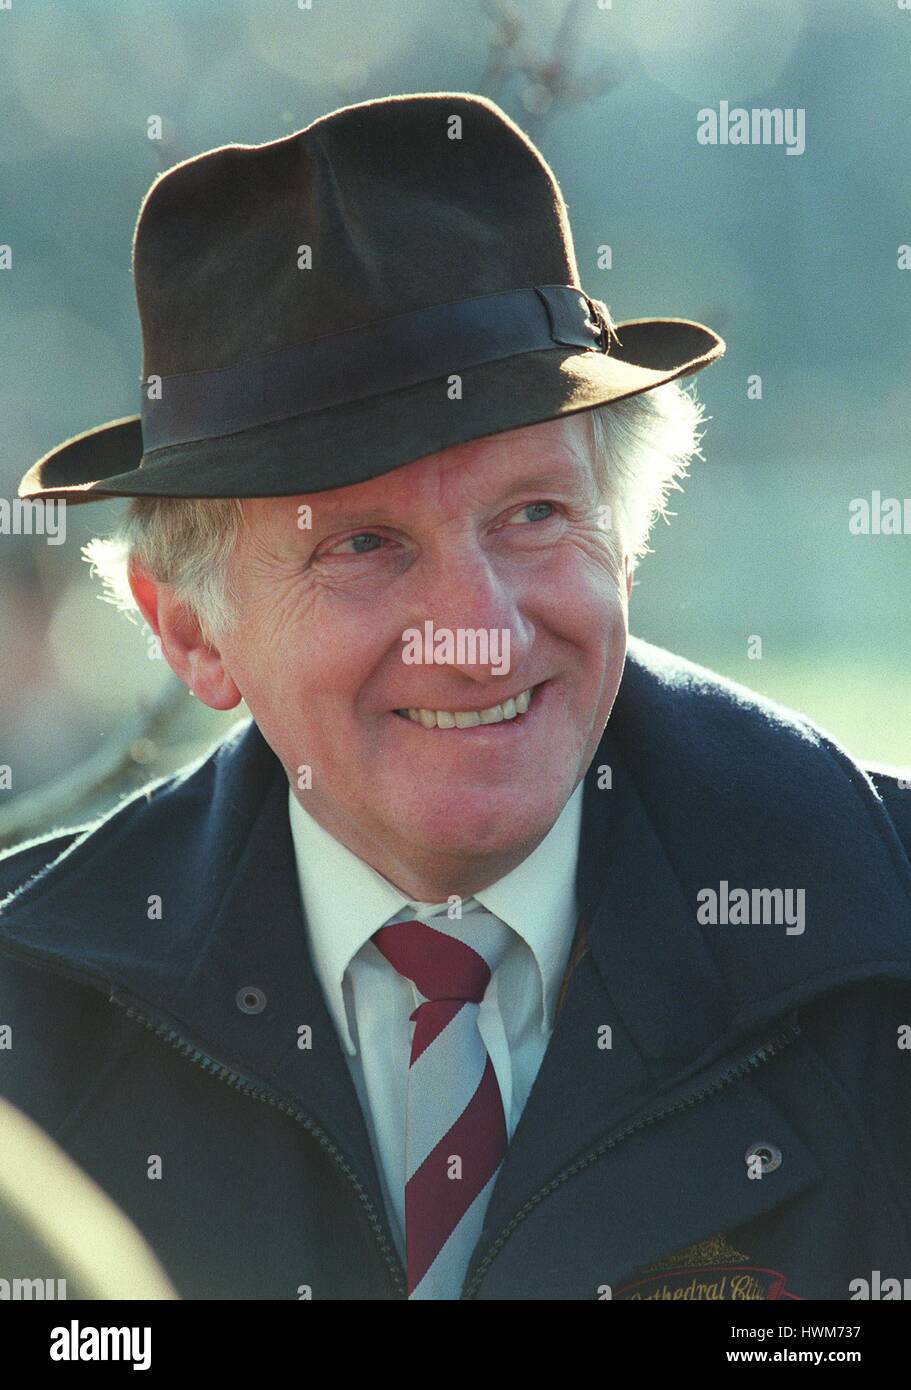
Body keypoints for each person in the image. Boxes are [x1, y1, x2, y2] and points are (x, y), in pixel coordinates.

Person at [2, 92, 909, 1301]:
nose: (477, 637)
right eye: (363, 545)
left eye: (532, 513)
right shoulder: (28, 1022)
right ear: (191, 632)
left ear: (620, 542)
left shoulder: (877, 938)